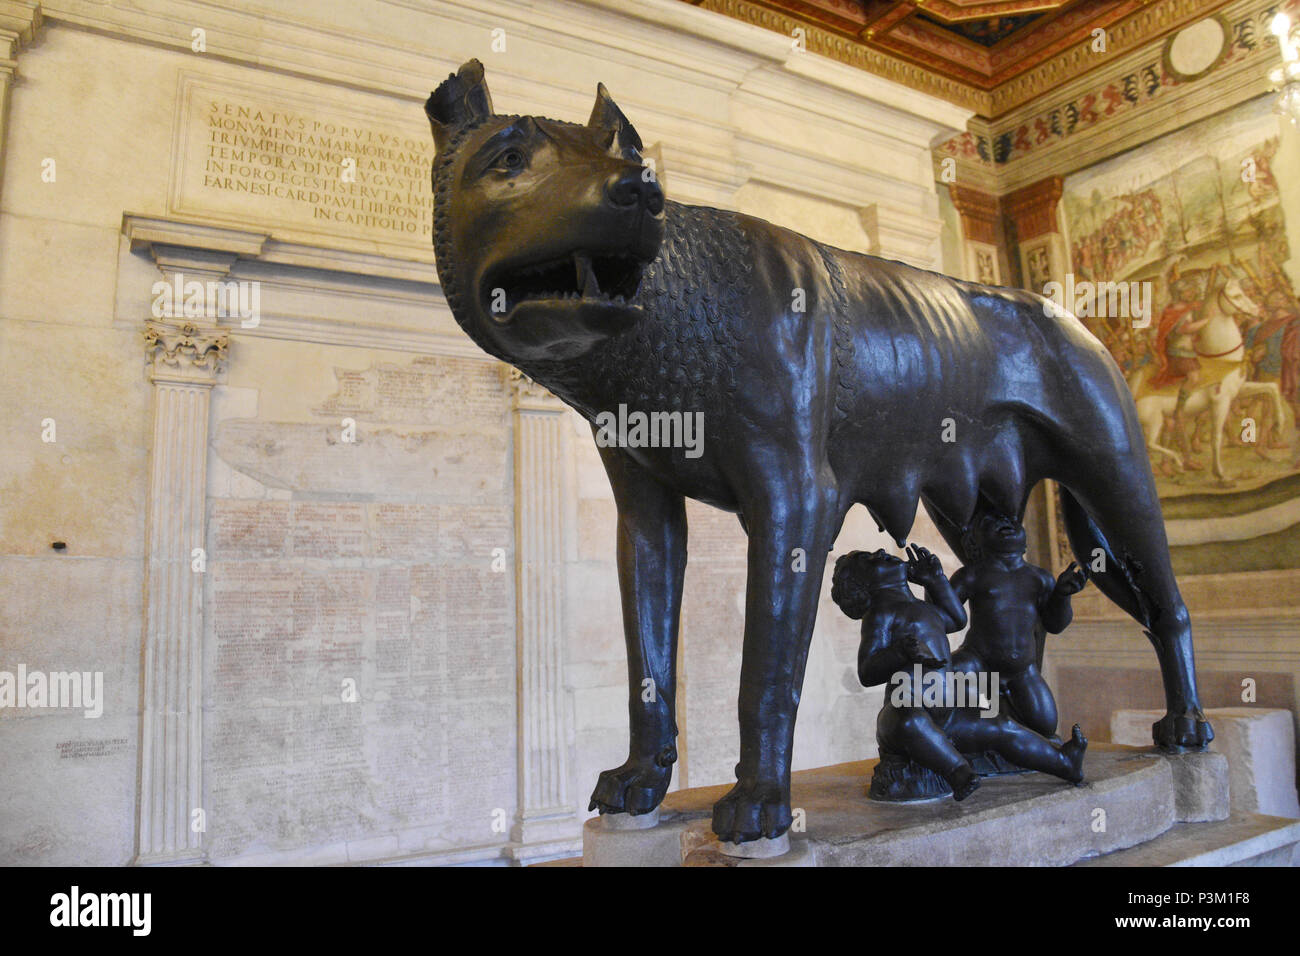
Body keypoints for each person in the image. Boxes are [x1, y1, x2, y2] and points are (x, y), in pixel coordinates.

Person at [832, 549, 1087, 802]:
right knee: (910, 723)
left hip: (949, 712)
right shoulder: (880, 615)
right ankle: (958, 773)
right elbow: (867, 672)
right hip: (907, 707)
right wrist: (900, 652)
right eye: (868, 561)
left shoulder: (923, 608)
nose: (879, 552)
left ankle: (1065, 763)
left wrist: (935, 579)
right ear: (863, 585)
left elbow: (956, 618)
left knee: (1001, 726)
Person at [948, 510, 1089, 739]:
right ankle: (988, 730)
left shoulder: (1040, 578)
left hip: (1023, 671)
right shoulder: (970, 576)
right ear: (978, 540)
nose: (1004, 521)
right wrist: (934, 583)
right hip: (980, 664)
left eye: (1012, 521)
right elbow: (945, 619)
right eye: (992, 519)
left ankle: (1001, 731)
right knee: (957, 675)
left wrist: (1063, 595)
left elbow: (1055, 624)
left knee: (1045, 726)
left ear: (1024, 544)